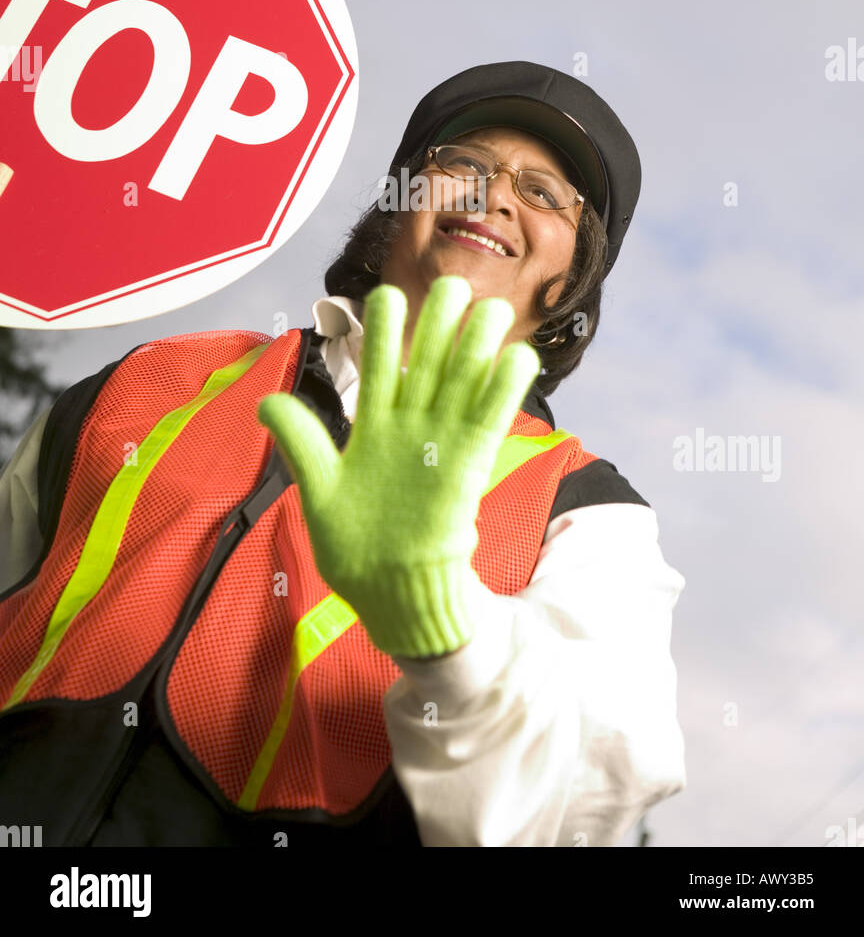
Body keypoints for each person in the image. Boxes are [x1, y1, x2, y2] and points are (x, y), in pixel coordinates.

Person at [0, 60, 686, 847]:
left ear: (568, 283)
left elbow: (586, 788)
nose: (494, 194)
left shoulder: (588, 510)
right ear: (396, 210)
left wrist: (442, 620)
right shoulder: (158, 376)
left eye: (542, 193)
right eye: (461, 163)